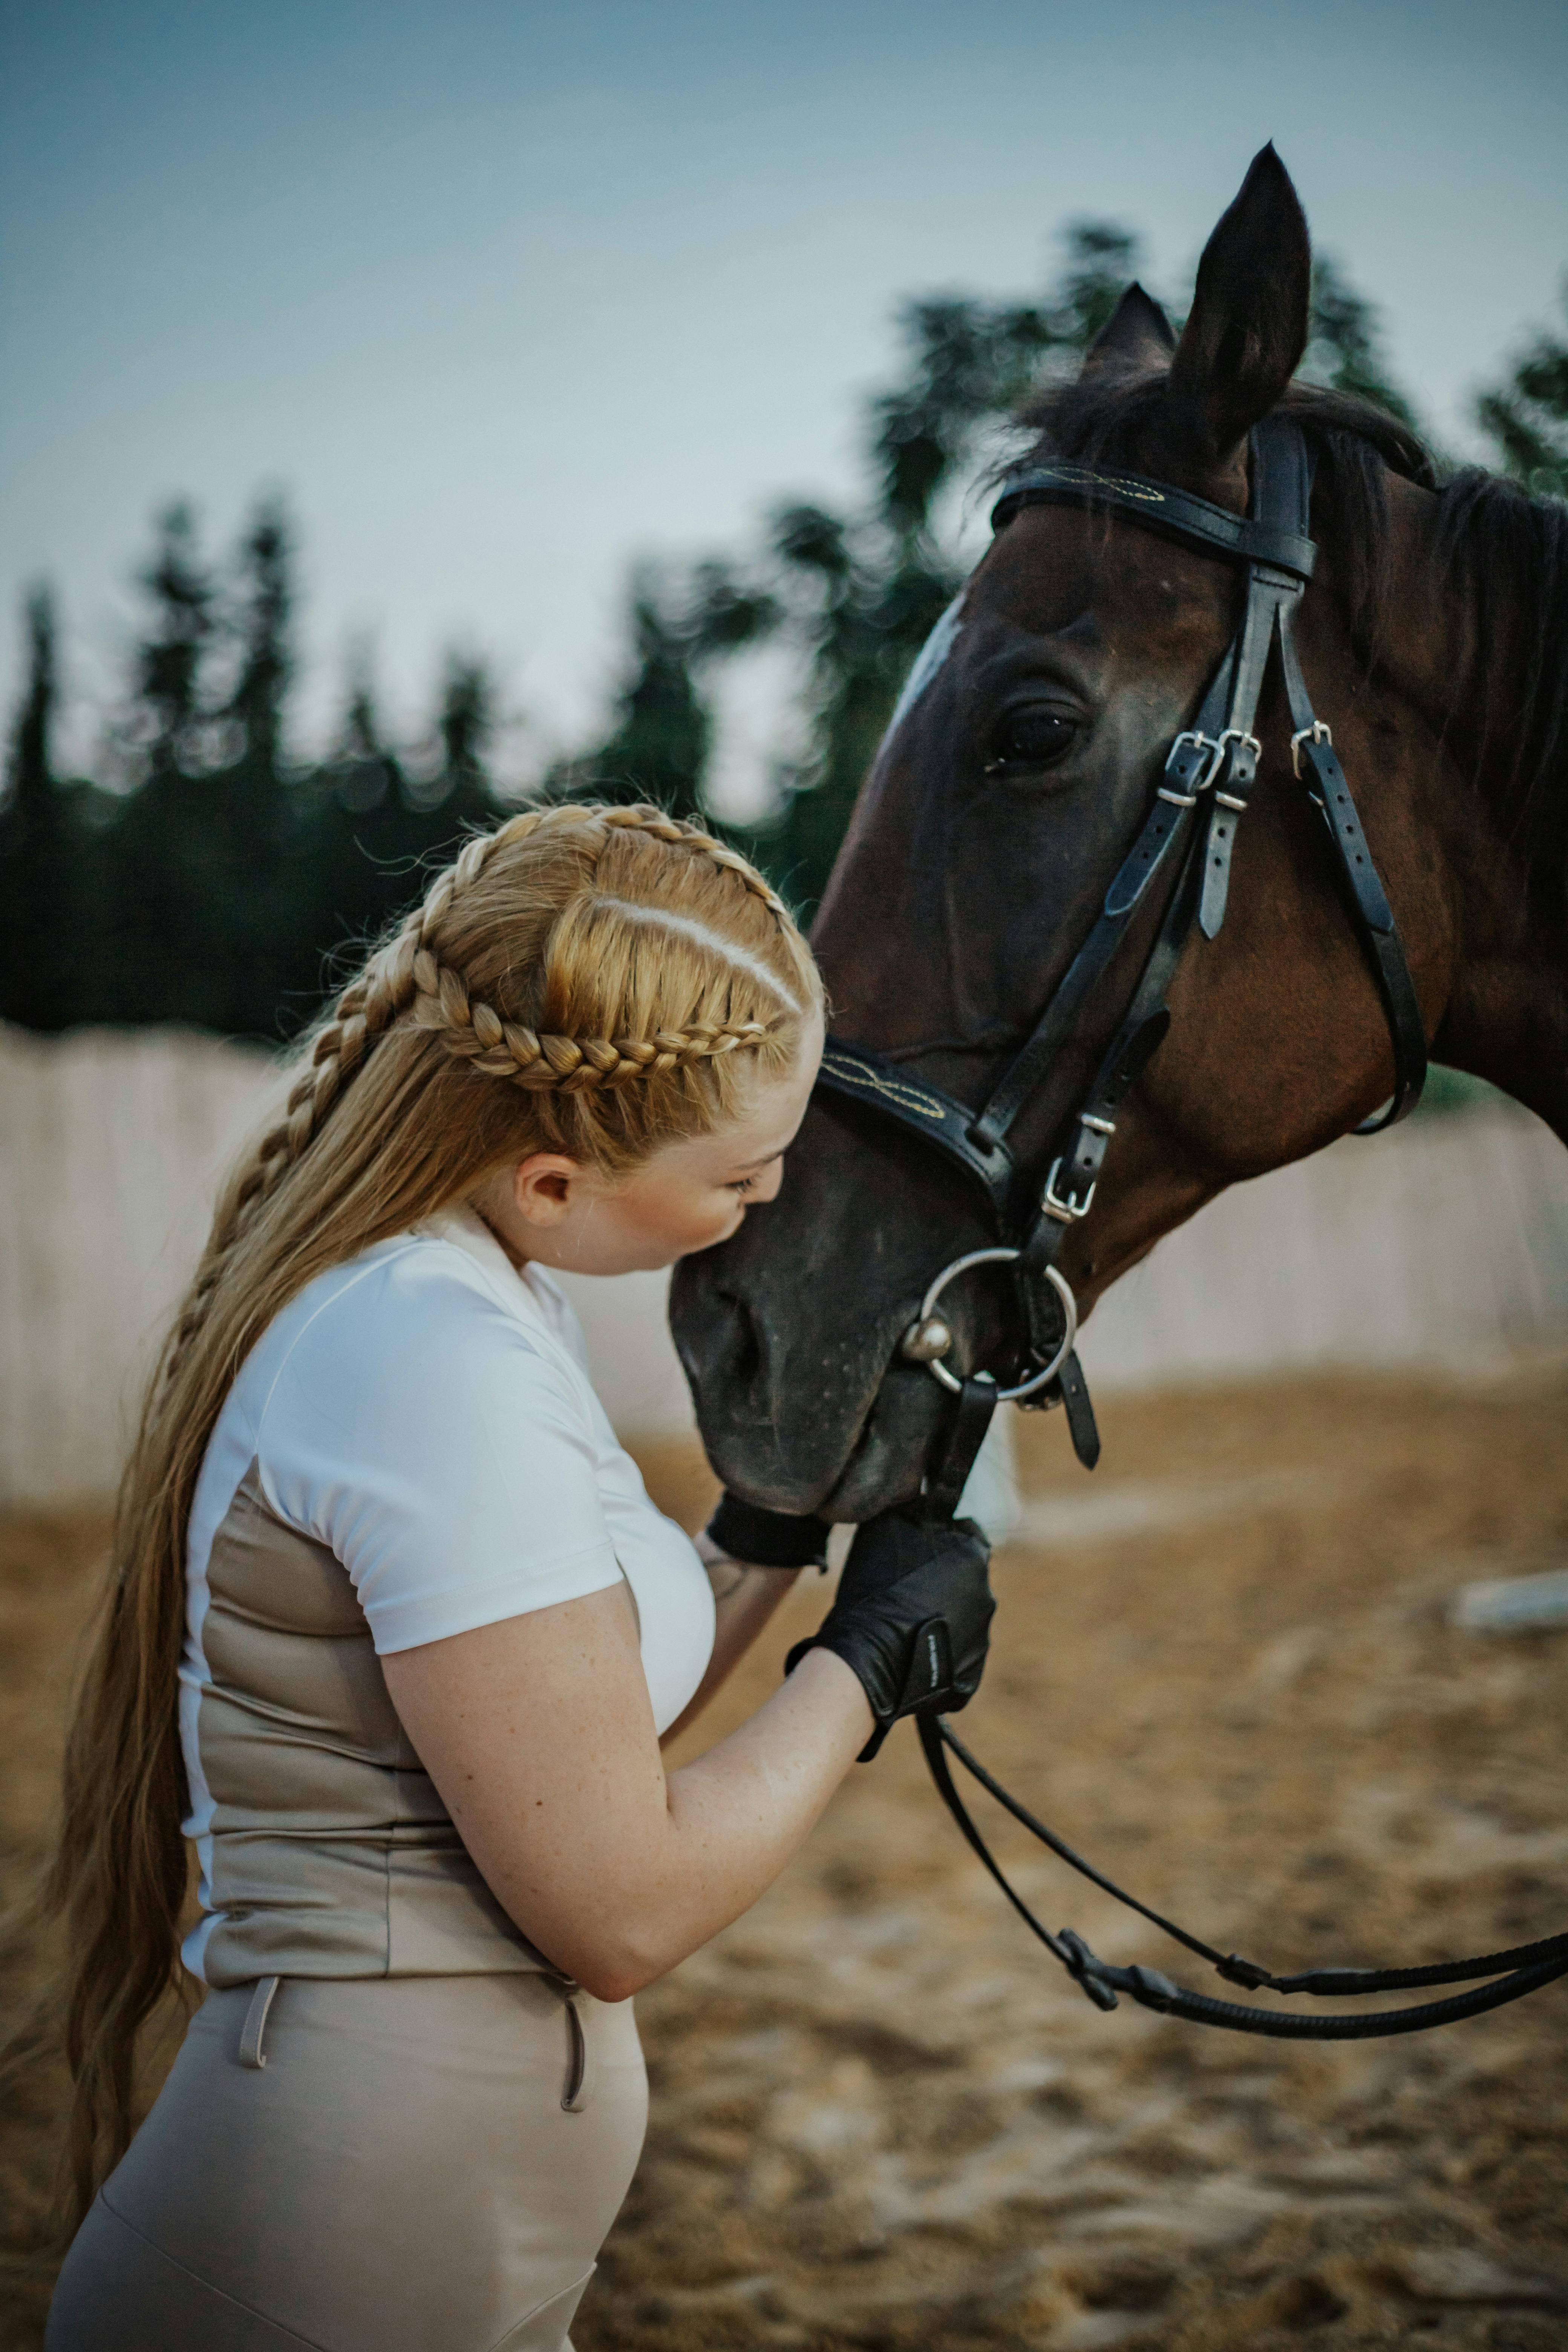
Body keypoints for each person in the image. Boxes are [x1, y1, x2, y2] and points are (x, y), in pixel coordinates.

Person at [42, 802, 994, 2352]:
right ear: (551, 1179)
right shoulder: (424, 1356)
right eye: (741, 1182)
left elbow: (562, 1737)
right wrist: (866, 1663)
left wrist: (770, 1535)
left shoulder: (473, 1295)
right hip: (326, 2278)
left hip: (410, 2249)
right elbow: (614, 1905)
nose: (762, 1208)